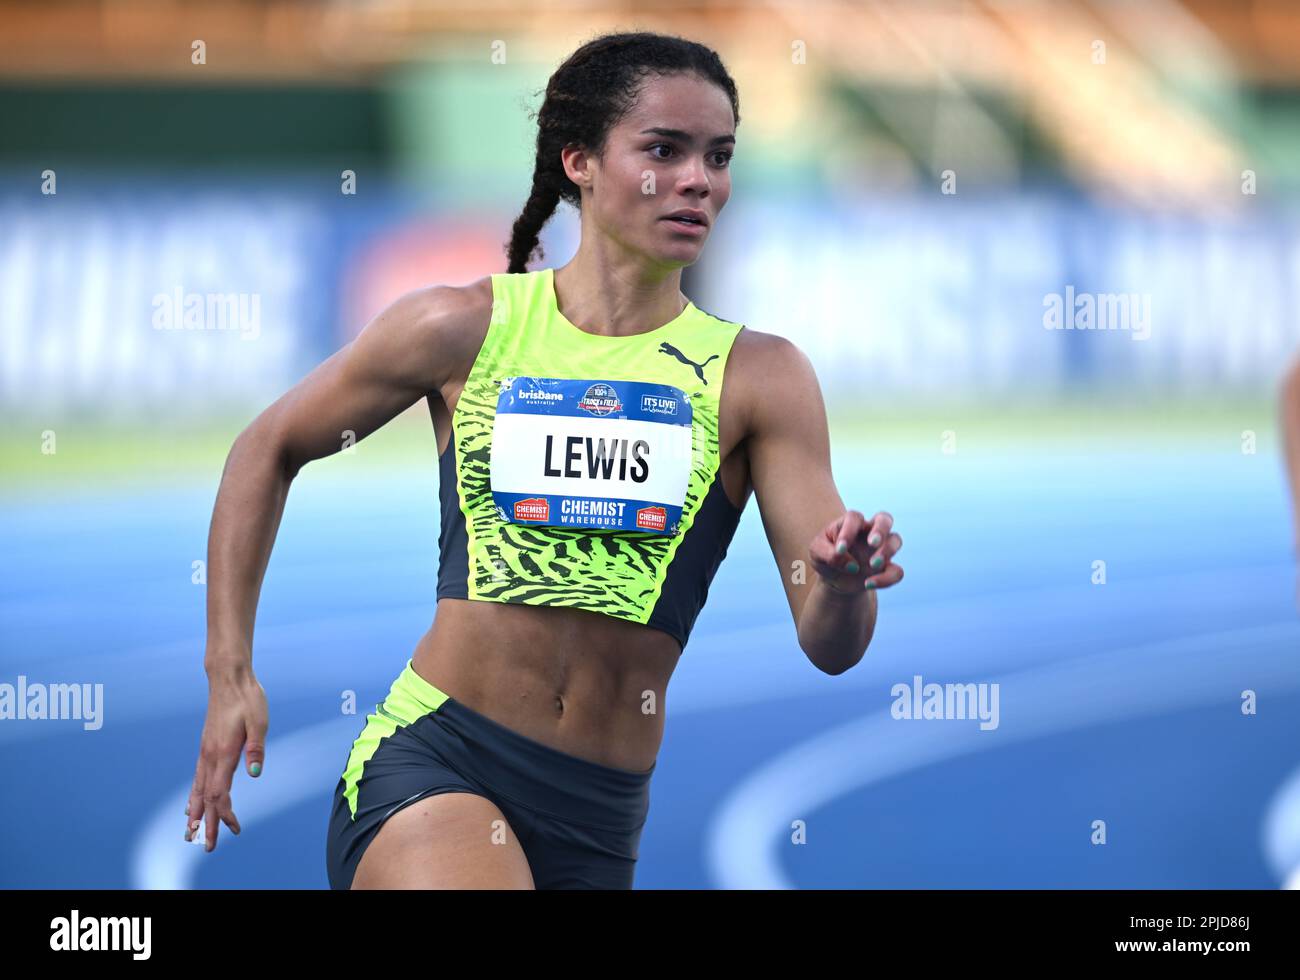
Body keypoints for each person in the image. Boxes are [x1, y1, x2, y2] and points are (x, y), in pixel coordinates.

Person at [186, 30, 904, 889]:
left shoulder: (760, 378)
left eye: (718, 156)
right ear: (580, 161)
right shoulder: (462, 328)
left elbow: (832, 646)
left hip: (599, 815)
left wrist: (843, 586)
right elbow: (265, 447)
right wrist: (230, 673)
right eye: (664, 151)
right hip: (437, 759)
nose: (697, 180)